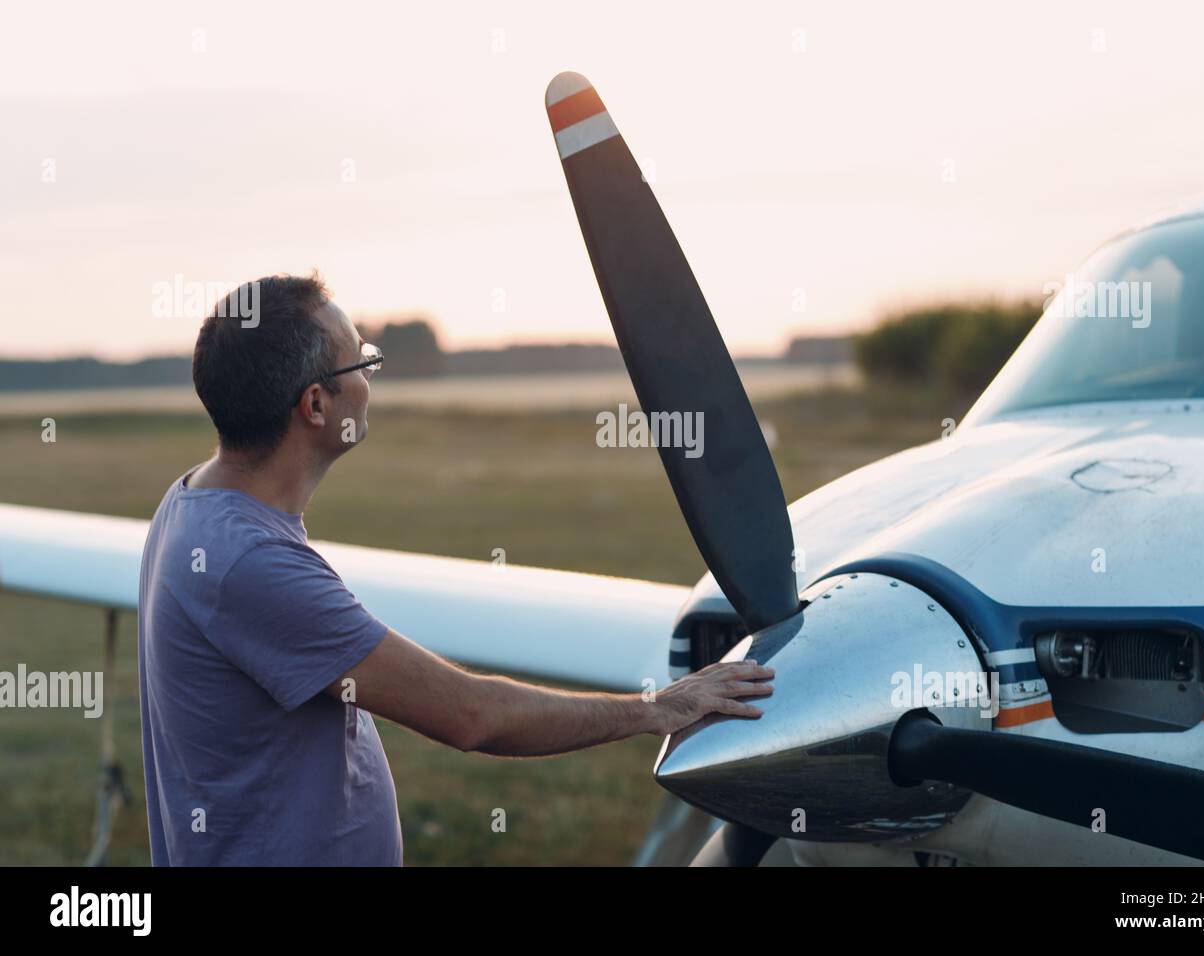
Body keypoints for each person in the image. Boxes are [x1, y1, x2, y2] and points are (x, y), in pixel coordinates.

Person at [136, 272, 774, 865]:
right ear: (315, 406)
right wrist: (656, 710)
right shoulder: (248, 562)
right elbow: (471, 716)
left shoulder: (191, 500)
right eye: (362, 361)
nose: (371, 378)